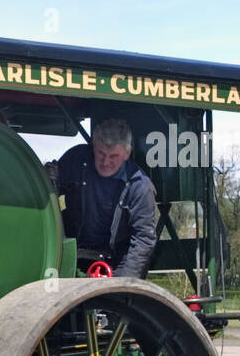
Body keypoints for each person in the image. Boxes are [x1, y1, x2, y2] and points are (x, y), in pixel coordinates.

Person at [46, 118, 157, 278]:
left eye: (113, 156)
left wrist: (124, 283)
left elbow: (143, 238)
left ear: (126, 153)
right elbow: (49, 189)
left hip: (115, 263)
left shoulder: (140, 187)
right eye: (101, 153)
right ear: (93, 146)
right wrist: (49, 179)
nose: (106, 162)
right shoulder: (75, 159)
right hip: (72, 254)